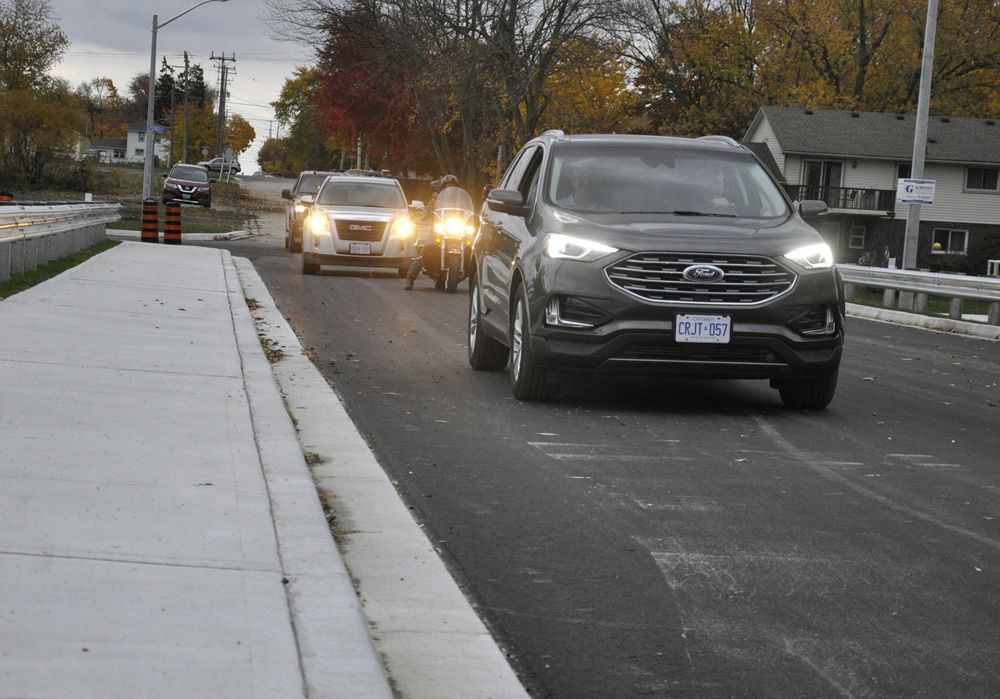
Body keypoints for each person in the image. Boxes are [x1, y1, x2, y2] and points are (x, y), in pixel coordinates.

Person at [405, 175, 471, 289]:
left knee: (474, 251)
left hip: (459, 229)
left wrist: (475, 217)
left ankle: (477, 285)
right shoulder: (438, 199)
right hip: (440, 228)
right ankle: (410, 278)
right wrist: (424, 212)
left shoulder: (462, 200)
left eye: (452, 185)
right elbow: (429, 209)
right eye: (447, 185)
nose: (450, 187)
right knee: (424, 248)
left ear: (457, 186)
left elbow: (469, 211)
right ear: (443, 187)